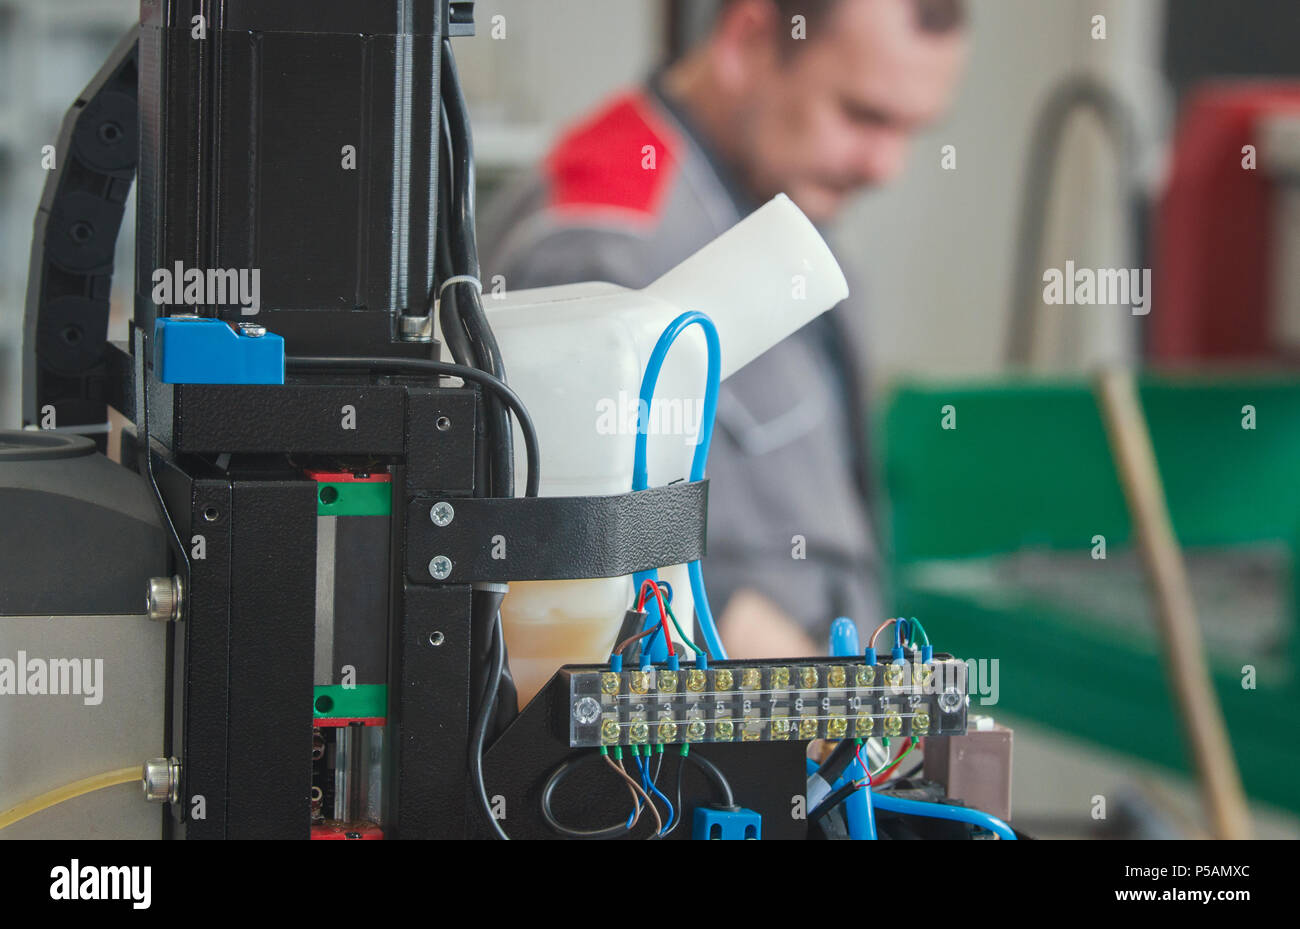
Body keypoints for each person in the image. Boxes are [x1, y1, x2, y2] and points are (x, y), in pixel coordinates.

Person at [479, 0, 968, 657]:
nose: (888, 166)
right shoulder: (606, 245)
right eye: (863, 115)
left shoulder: (774, 198)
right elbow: (590, 580)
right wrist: (830, 729)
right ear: (748, 41)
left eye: (913, 130)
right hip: (720, 746)